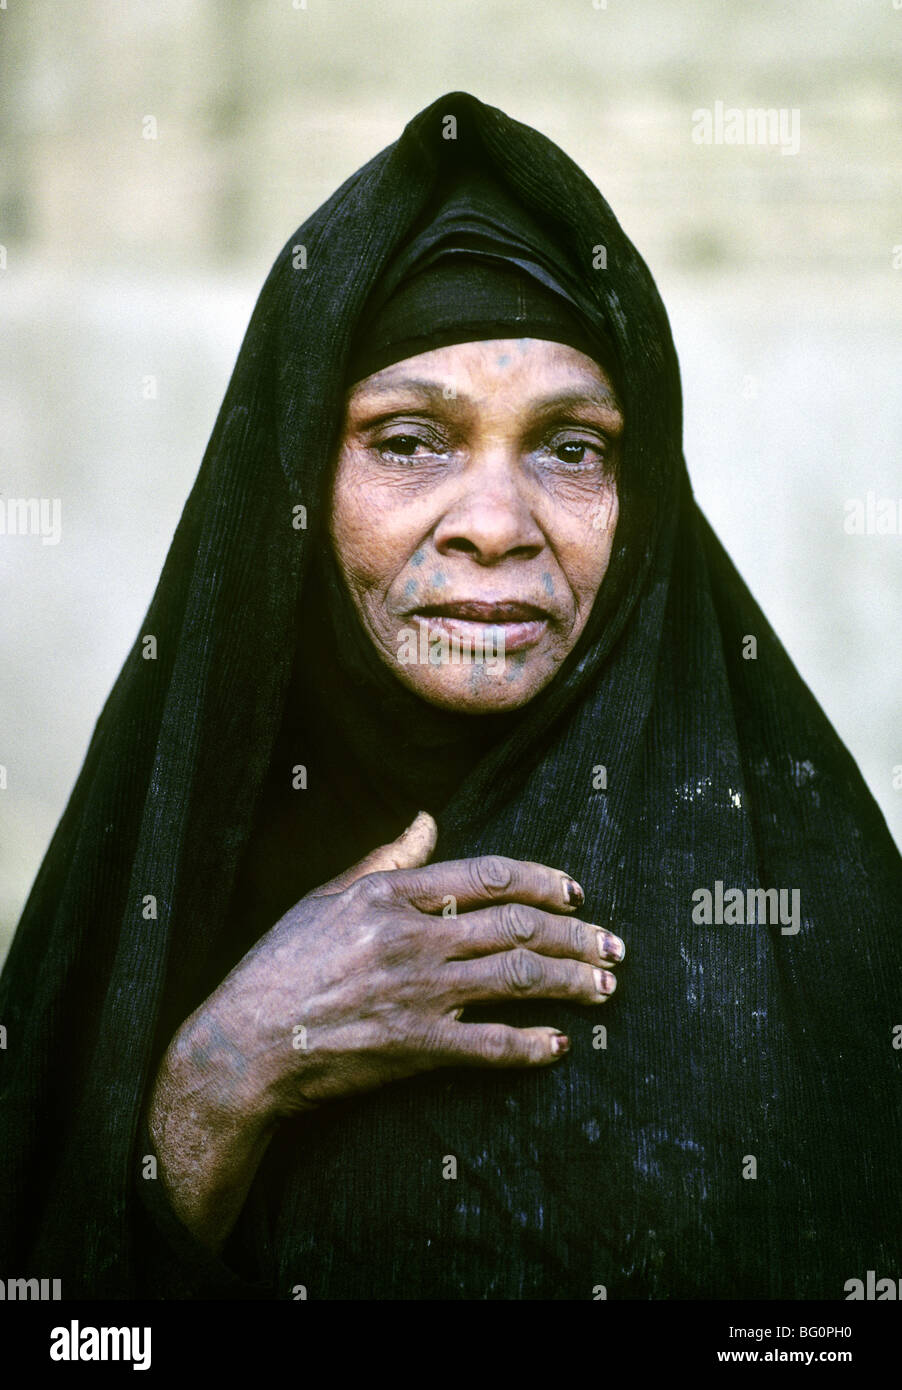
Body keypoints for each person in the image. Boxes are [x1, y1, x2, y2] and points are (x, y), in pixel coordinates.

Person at [1, 92, 899, 1301]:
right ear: (301, 481)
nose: (492, 526)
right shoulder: (162, 893)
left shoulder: (807, 911)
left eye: (571, 447)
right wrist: (226, 1070)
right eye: (409, 438)